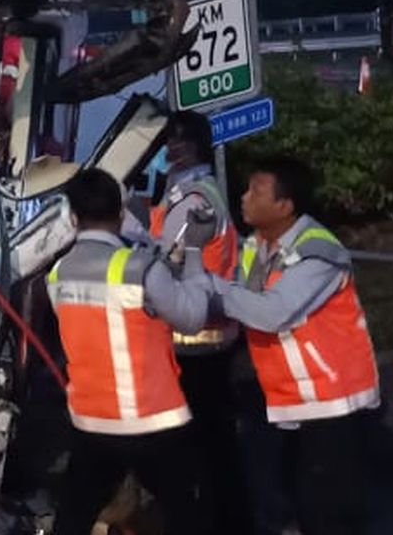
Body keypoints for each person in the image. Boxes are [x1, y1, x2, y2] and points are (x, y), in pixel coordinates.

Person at [209, 156, 381, 535]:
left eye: (256, 191)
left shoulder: (319, 252)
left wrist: (211, 287)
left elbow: (274, 313)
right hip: (290, 398)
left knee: (329, 513)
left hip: (331, 400)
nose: (244, 198)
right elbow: (244, 303)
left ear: (284, 206)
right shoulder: (257, 246)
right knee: (301, 503)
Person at [49, 168, 212, 535]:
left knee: (73, 517)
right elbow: (192, 318)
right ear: (121, 214)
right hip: (154, 421)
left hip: (92, 422)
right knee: (186, 516)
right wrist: (195, 257)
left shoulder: (57, 275)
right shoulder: (141, 268)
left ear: (73, 218)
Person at [150, 111, 251, 534]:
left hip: (195, 343)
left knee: (203, 448)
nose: (172, 148)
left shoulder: (191, 198)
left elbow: (164, 263)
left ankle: (217, 522)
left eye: (180, 141)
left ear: (197, 147)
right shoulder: (196, 191)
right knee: (217, 444)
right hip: (211, 335)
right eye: (168, 140)